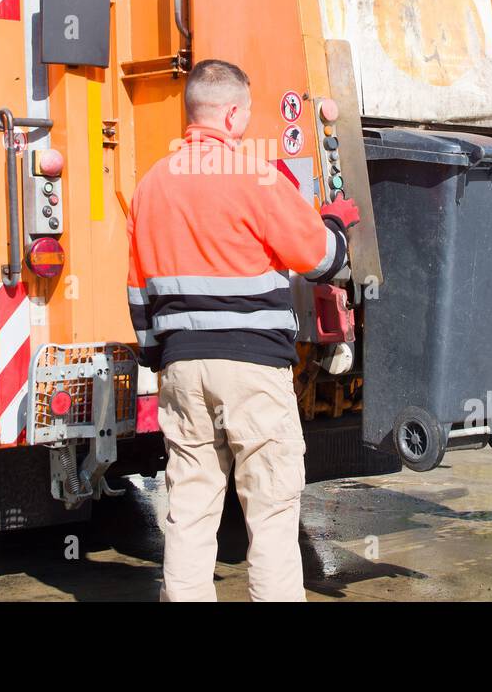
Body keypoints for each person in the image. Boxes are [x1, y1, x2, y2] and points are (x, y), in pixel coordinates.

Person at [126, 59, 360, 602]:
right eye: (247, 115)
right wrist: (337, 223)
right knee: (272, 510)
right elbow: (320, 259)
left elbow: (137, 291)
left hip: (182, 366)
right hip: (253, 368)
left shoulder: (151, 186)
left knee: (190, 508)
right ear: (231, 115)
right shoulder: (254, 175)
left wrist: (157, 354)